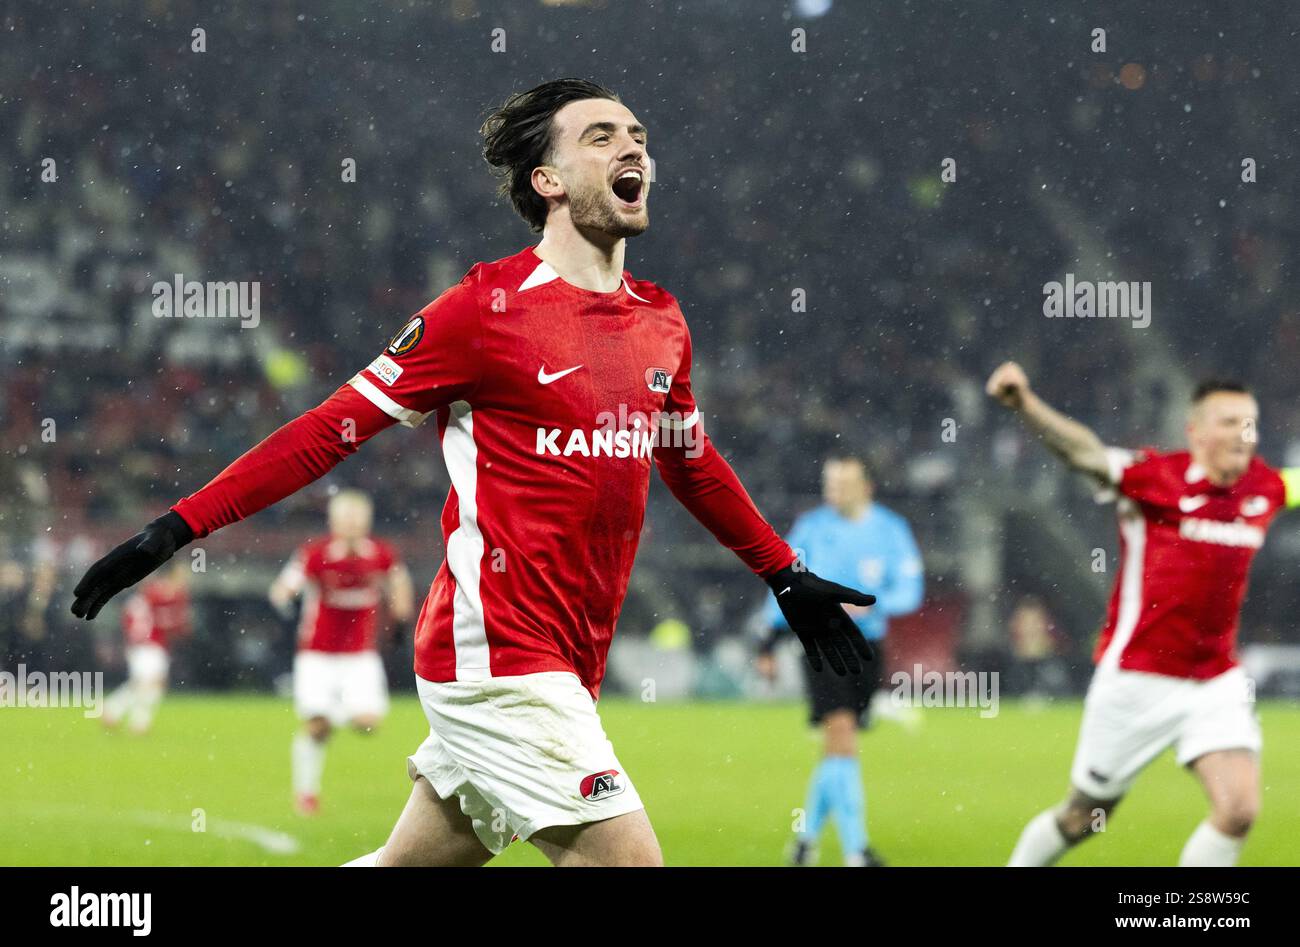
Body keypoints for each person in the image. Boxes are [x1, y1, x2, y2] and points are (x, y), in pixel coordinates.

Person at [70, 78, 874, 867]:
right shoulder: (484, 310)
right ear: (547, 181)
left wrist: (783, 572)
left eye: (638, 136)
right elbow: (329, 431)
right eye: (601, 136)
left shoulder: (661, 321)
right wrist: (177, 527)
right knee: (627, 860)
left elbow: (691, 466)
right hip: (498, 655)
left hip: (570, 656)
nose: (632, 146)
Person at [988, 362, 1300, 866]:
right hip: (1138, 680)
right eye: (1229, 421)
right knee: (1085, 818)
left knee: (1239, 808)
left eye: (1251, 423)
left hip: (1216, 680)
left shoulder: (1265, 488)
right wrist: (1025, 403)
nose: (1244, 434)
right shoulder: (1157, 476)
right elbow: (1083, 452)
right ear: (1195, 430)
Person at [757, 455, 923, 866]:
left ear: (866, 487)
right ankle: (856, 850)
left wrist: (873, 605)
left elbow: (910, 589)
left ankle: (805, 842)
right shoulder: (812, 528)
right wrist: (767, 639)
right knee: (843, 735)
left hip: (868, 649)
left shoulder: (891, 530)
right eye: (830, 483)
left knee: (837, 747)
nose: (834, 491)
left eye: (843, 483)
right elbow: (784, 581)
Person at [269, 489, 414, 815]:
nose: (350, 522)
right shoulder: (314, 554)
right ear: (333, 520)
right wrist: (288, 601)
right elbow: (281, 590)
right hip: (317, 654)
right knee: (317, 727)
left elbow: (399, 584)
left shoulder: (382, 554)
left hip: (360, 655)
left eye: (356, 516)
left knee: (367, 724)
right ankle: (306, 794)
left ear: (367, 519)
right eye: (344, 516)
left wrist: (402, 620)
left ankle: (327, 712)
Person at [102, 560, 192, 734]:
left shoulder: (162, 594)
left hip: (146, 645)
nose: (185, 579)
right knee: (150, 684)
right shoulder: (159, 594)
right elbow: (165, 621)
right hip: (149, 645)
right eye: (182, 574)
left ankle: (116, 712)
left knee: (145, 684)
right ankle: (134, 720)